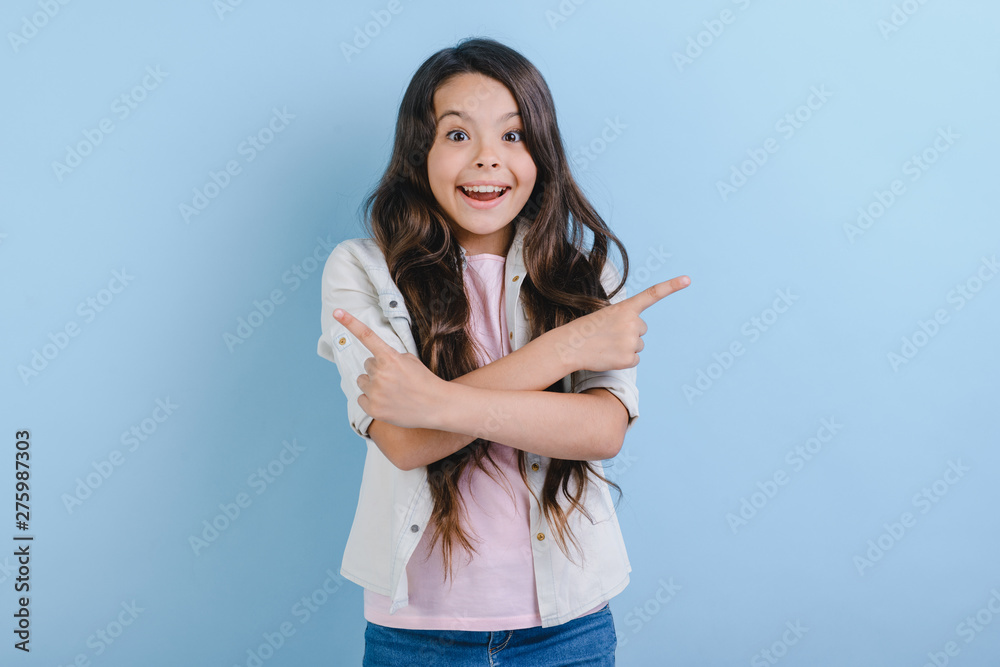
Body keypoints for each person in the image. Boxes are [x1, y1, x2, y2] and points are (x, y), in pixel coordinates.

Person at [317, 36, 690, 666]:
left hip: (567, 629)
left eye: (513, 136)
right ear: (421, 153)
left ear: (542, 152)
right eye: (458, 135)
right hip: (417, 636)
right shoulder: (363, 270)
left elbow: (600, 430)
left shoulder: (581, 276)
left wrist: (435, 402)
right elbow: (405, 443)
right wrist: (569, 347)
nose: (488, 159)